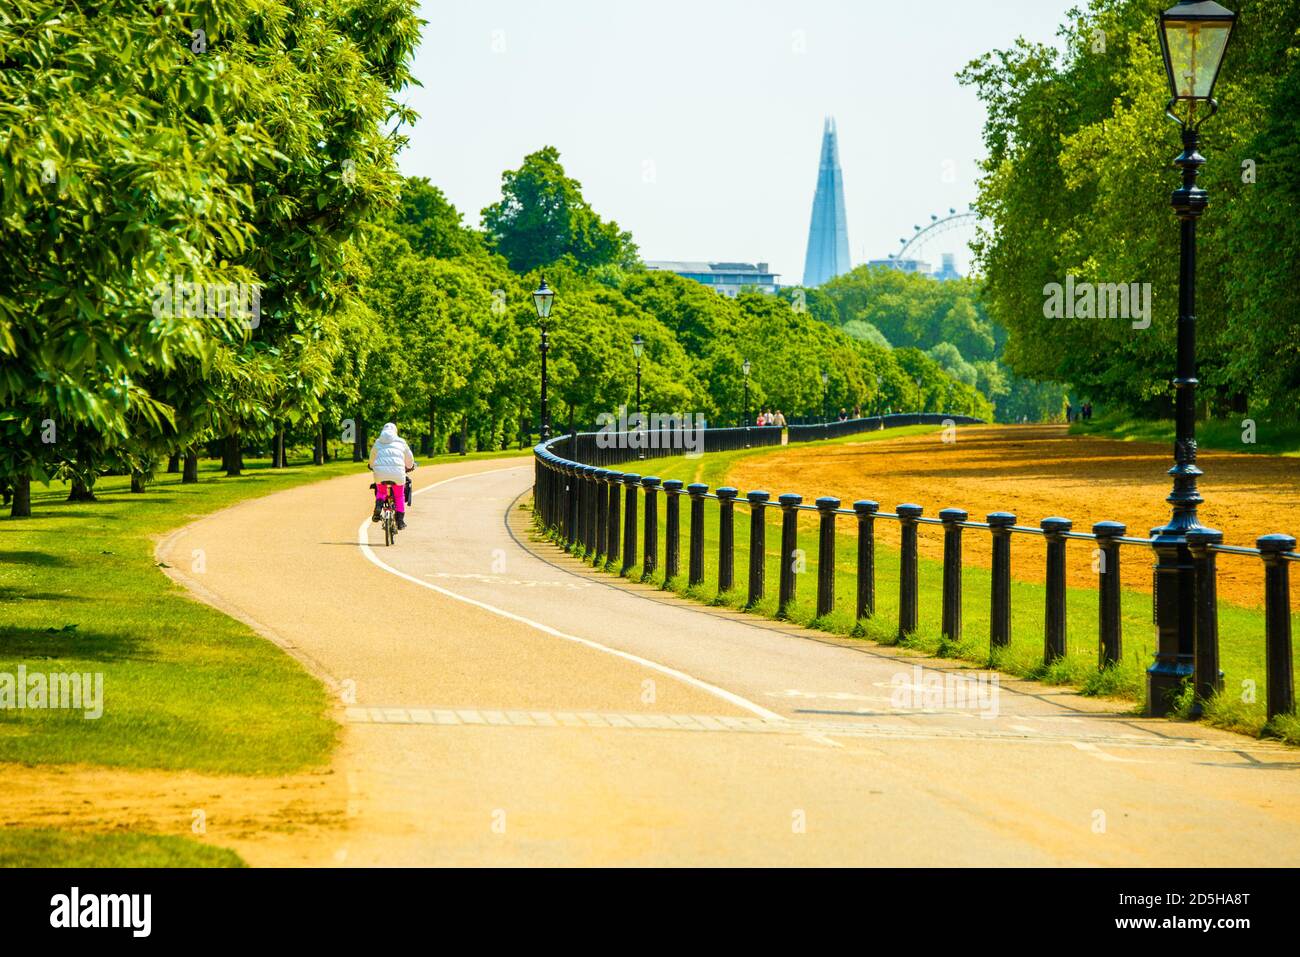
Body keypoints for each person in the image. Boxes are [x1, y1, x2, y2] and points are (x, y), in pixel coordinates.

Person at [369, 422, 415, 530]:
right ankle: (400, 521)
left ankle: (378, 507)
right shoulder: (401, 442)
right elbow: (409, 458)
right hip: (398, 474)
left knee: (381, 491)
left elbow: (372, 457)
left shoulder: (378, 442)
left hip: (380, 474)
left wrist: (371, 465)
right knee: (399, 495)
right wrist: (410, 466)